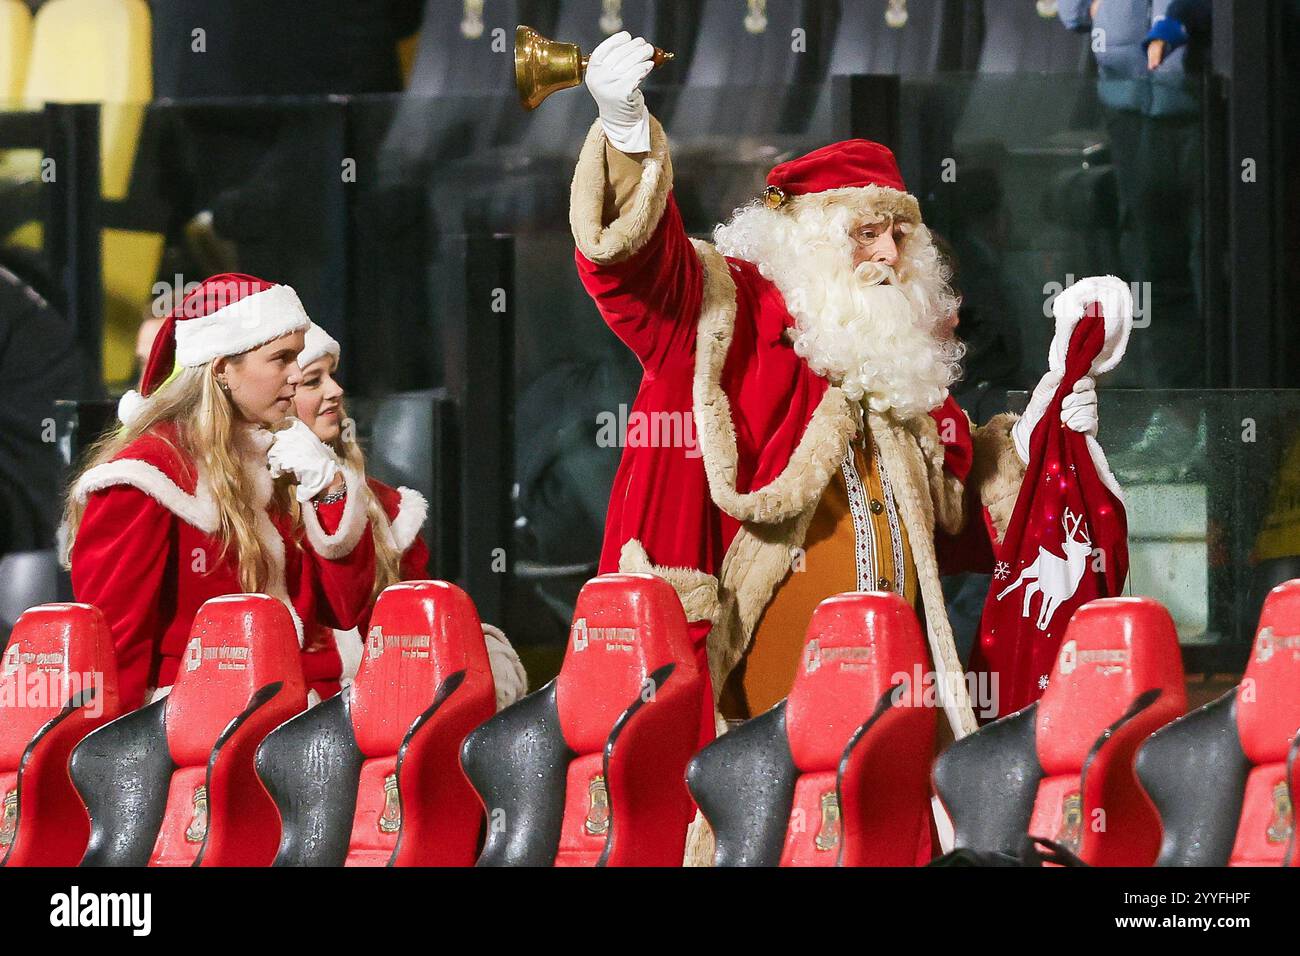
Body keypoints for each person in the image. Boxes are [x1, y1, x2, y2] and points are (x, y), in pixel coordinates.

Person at [570, 33, 1102, 857]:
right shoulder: (731, 315)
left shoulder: (897, 380)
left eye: (899, 234)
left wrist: (1054, 432)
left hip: (895, 730)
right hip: (759, 723)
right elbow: (638, 274)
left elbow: (970, 525)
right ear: (809, 241)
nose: (887, 253)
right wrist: (627, 130)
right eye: (865, 232)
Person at [63, 274, 376, 710]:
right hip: (190, 737)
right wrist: (117, 762)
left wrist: (330, 487)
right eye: (281, 359)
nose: (294, 375)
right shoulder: (145, 475)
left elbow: (346, 609)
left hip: (298, 723)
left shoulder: (285, 457)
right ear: (222, 368)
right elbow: (112, 646)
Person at [290, 322, 527, 709]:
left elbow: (419, 623)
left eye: (331, 376)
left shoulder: (389, 508)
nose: (336, 391)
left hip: (386, 710)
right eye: (314, 381)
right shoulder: (246, 505)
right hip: (296, 720)